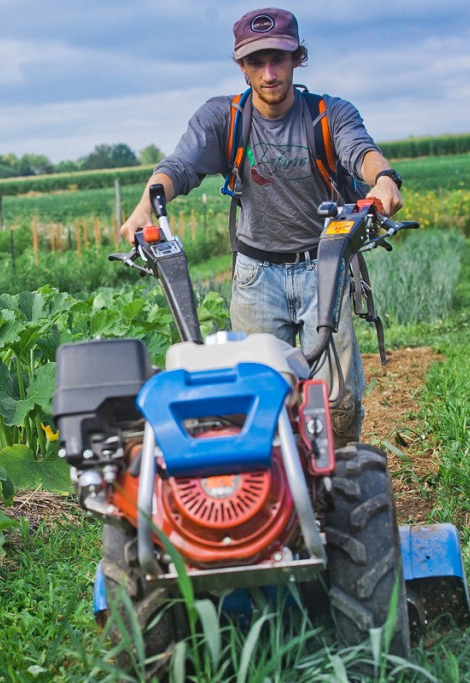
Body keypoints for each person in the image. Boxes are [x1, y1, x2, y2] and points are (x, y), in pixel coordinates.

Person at [119, 7, 404, 445]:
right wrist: (145, 205)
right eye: (257, 62)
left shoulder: (328, 114)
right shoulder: (223, 118)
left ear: (298, 59)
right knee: (257, 402)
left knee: (338, 404)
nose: (269, 73)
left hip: (322, 268)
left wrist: (383, 180)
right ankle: (275, 499)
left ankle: (336, 488)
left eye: (279, 59)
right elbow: (179, 165)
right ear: (241, 66)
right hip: (256, 276)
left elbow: (361, 152)